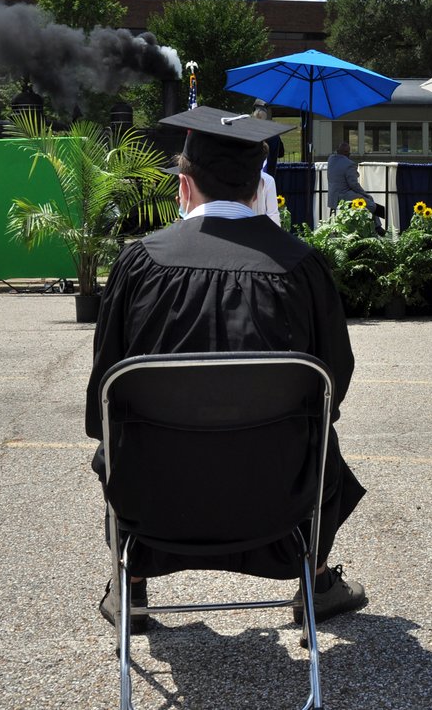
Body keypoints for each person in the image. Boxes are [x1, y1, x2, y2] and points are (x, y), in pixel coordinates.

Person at [85, 108, 367, 632]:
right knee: (317, 435)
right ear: (258, 189)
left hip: (157, 500)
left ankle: (132, 584)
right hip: (277, 500)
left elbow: (102, 394)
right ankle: (316, 578)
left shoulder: (139, 263)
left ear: (184, 186)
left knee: (117, 437)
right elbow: (335, 384)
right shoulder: (300, 266)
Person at [326, 141, 386, 234]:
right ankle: (378, 227)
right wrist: (364, 194)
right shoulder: (349, 164)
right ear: (347, 153)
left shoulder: (331, 159)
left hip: (332, 197)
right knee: (370, 201)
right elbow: (353, 184)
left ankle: (377, 226)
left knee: (369, 200)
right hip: (344, 197)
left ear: (337, 151)